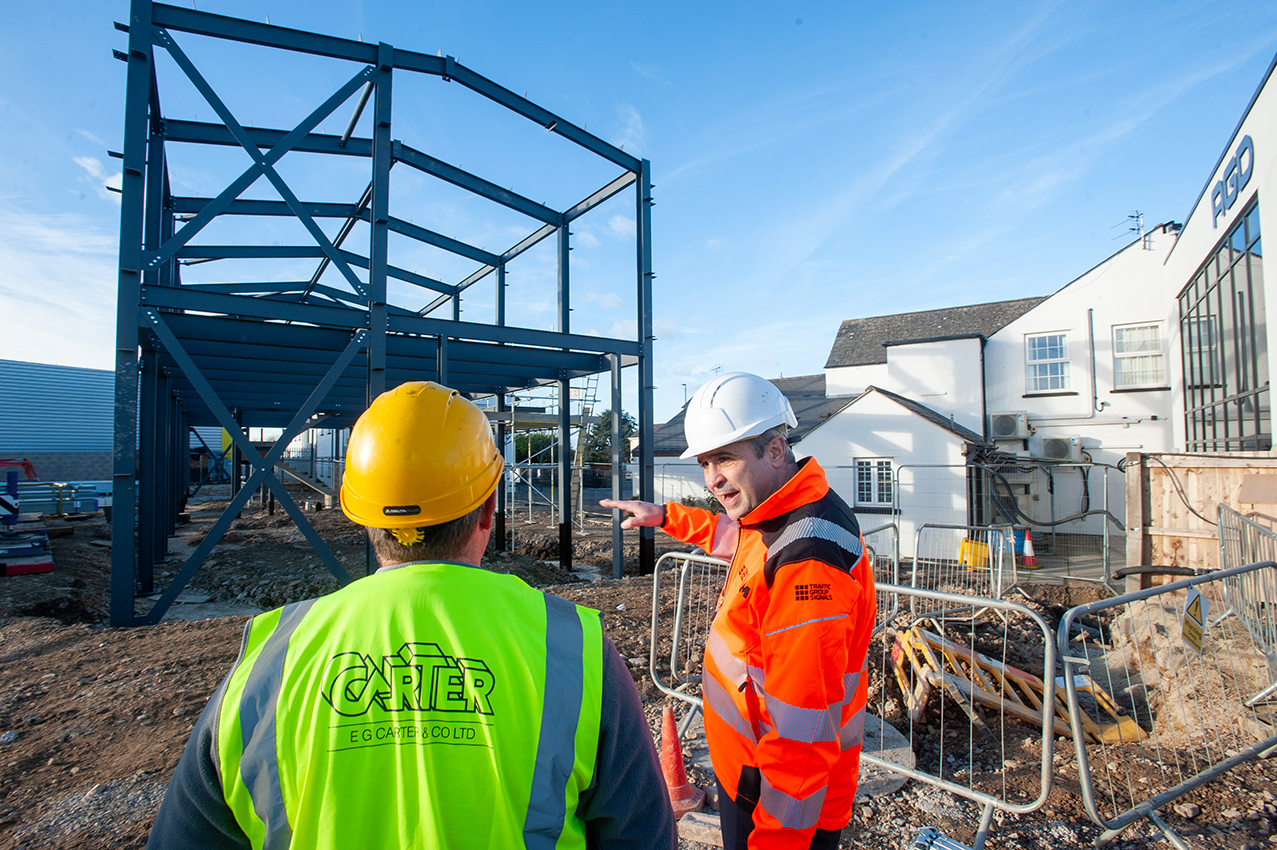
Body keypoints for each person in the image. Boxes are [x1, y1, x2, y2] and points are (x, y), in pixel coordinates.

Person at [149, 381, 676, 850]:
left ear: (362, 514)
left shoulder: (269, 658)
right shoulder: (573, 647)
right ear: (490, 508)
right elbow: (640, 833)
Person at [603, 372, 876, 850]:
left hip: (777, 805)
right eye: (706, 463)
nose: (713, 480)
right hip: (747, 776)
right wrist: (666, 516)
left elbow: (802, 737)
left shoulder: (807, 562)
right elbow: (735, 540)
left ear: (774, 449)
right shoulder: (776, 512)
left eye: (724, 458)